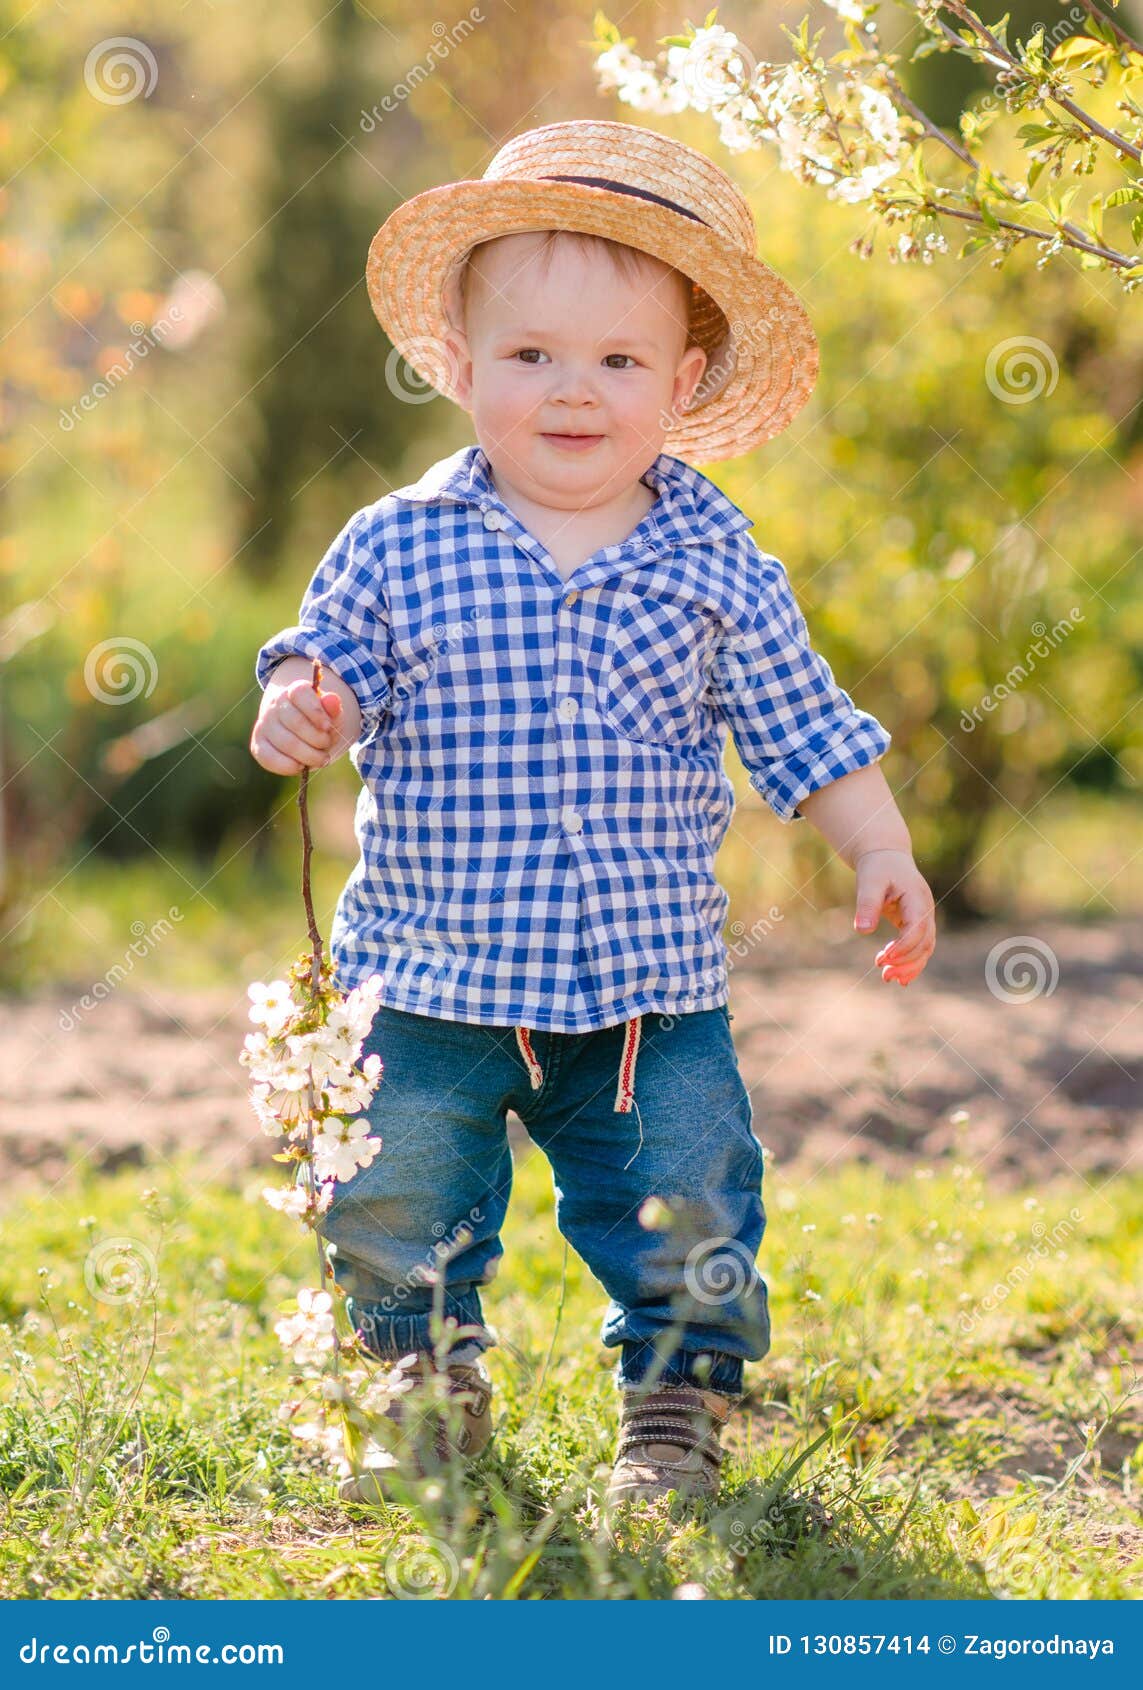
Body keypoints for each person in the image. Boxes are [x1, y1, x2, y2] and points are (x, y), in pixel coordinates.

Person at [249, 120, 936, 1514]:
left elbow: (804, 723)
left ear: (681, 382)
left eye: (618, 362)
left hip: (644, 995)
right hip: (432, 979)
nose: (574, 392)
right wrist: (303, 708)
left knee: (691, 1192)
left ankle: (675, 1405)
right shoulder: (397, 542)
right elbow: (323, 669)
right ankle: (415, 1374)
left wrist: (878, 843)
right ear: (460, 362)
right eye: (532, 356)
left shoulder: (715, 556)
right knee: (395, 1191)